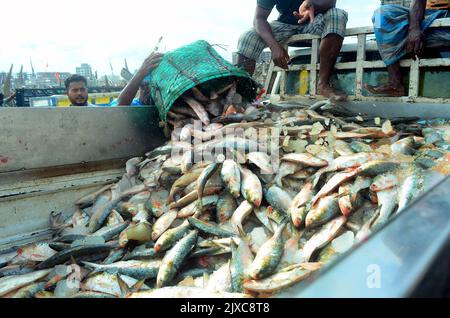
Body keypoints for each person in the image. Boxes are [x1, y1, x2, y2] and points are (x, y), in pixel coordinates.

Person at [236, 0, 348, 101]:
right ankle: (241, 95)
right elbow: (259, 18)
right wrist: (273, 45)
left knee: (337, 14)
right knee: (248, 37)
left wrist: (313, 4)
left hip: (315, 21)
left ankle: (323, 85)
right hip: (284, 24)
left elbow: (330, 2)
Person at [366, 0, 450, 96]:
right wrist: (414, 28)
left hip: (445, 17)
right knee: (378, 15)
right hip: (426, 15)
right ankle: (395, 82)